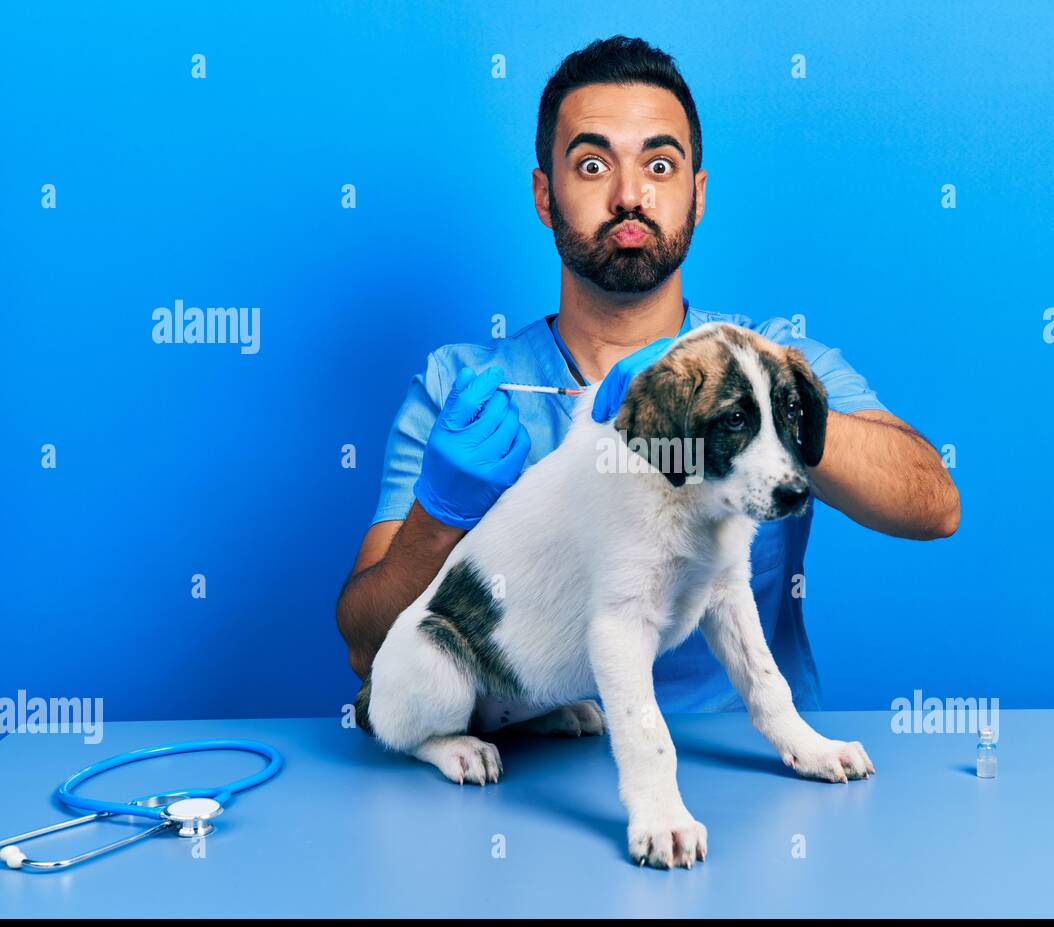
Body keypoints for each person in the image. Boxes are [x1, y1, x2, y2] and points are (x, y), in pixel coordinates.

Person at [336, 35, 959, 720]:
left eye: (660, 165)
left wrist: (768, 408)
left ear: (697, 195)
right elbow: (370, 649)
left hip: (741, 754)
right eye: (593, 164)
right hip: (534, 755)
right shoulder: (465, 387)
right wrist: (438, 517)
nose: (630, 195)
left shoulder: (774, 358)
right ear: (545, 195)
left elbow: (934, 505)